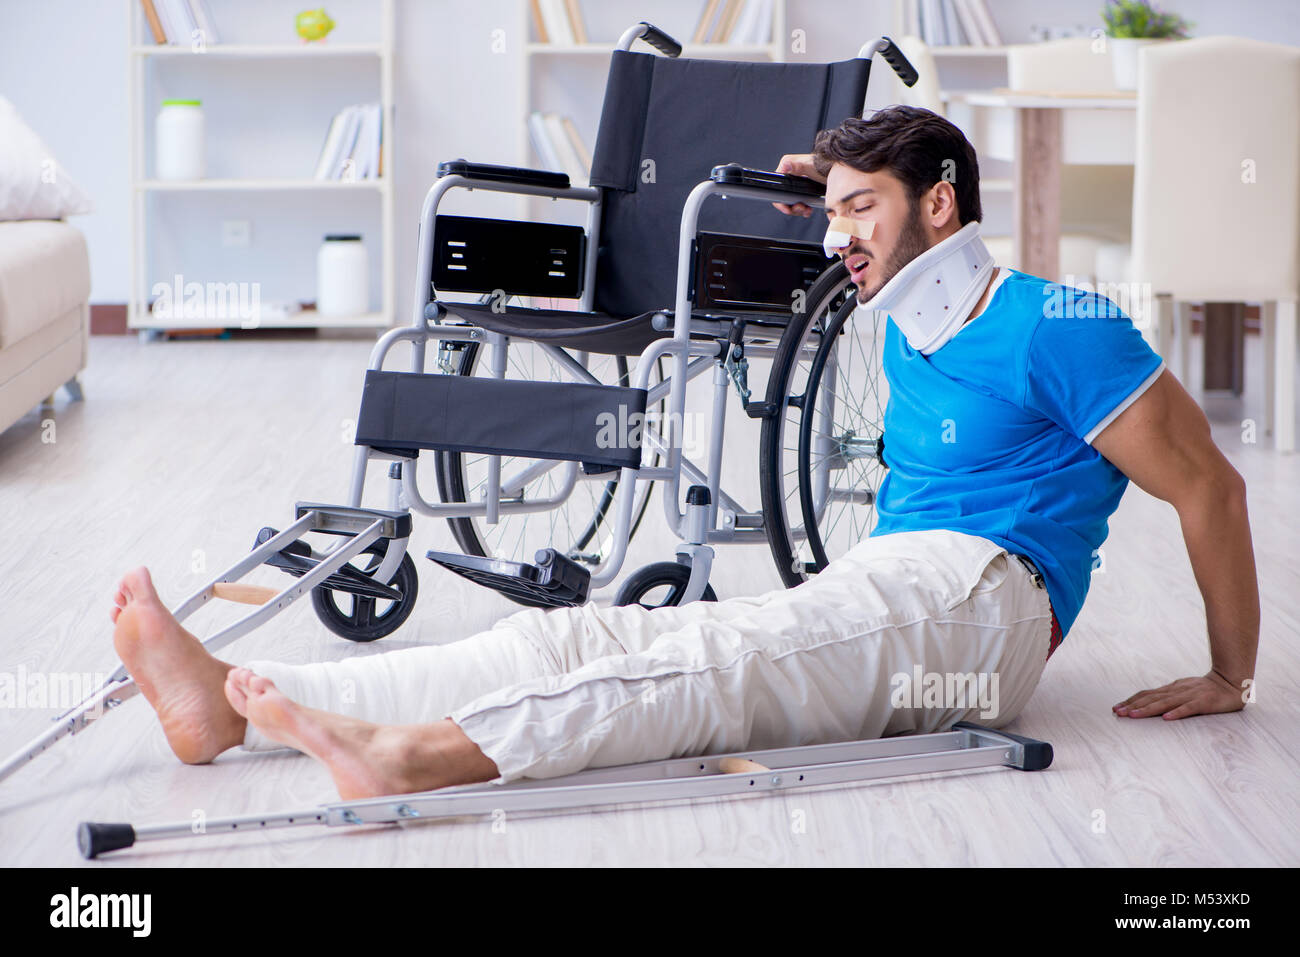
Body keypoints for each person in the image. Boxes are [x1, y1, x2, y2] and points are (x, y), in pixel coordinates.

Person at [109, 106, 1258, 800]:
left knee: (724, 659)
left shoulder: (1060, 325)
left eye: (865, 208)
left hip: (983, 604)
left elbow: (1209, 483)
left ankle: (421, 757)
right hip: (900, 582)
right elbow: (882, 250)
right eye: (832, 212)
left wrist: (1228, 674)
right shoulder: (910, 312)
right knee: (582, 631)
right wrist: (843, 198)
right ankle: (240, 703)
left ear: (943, 207)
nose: (841, 236)